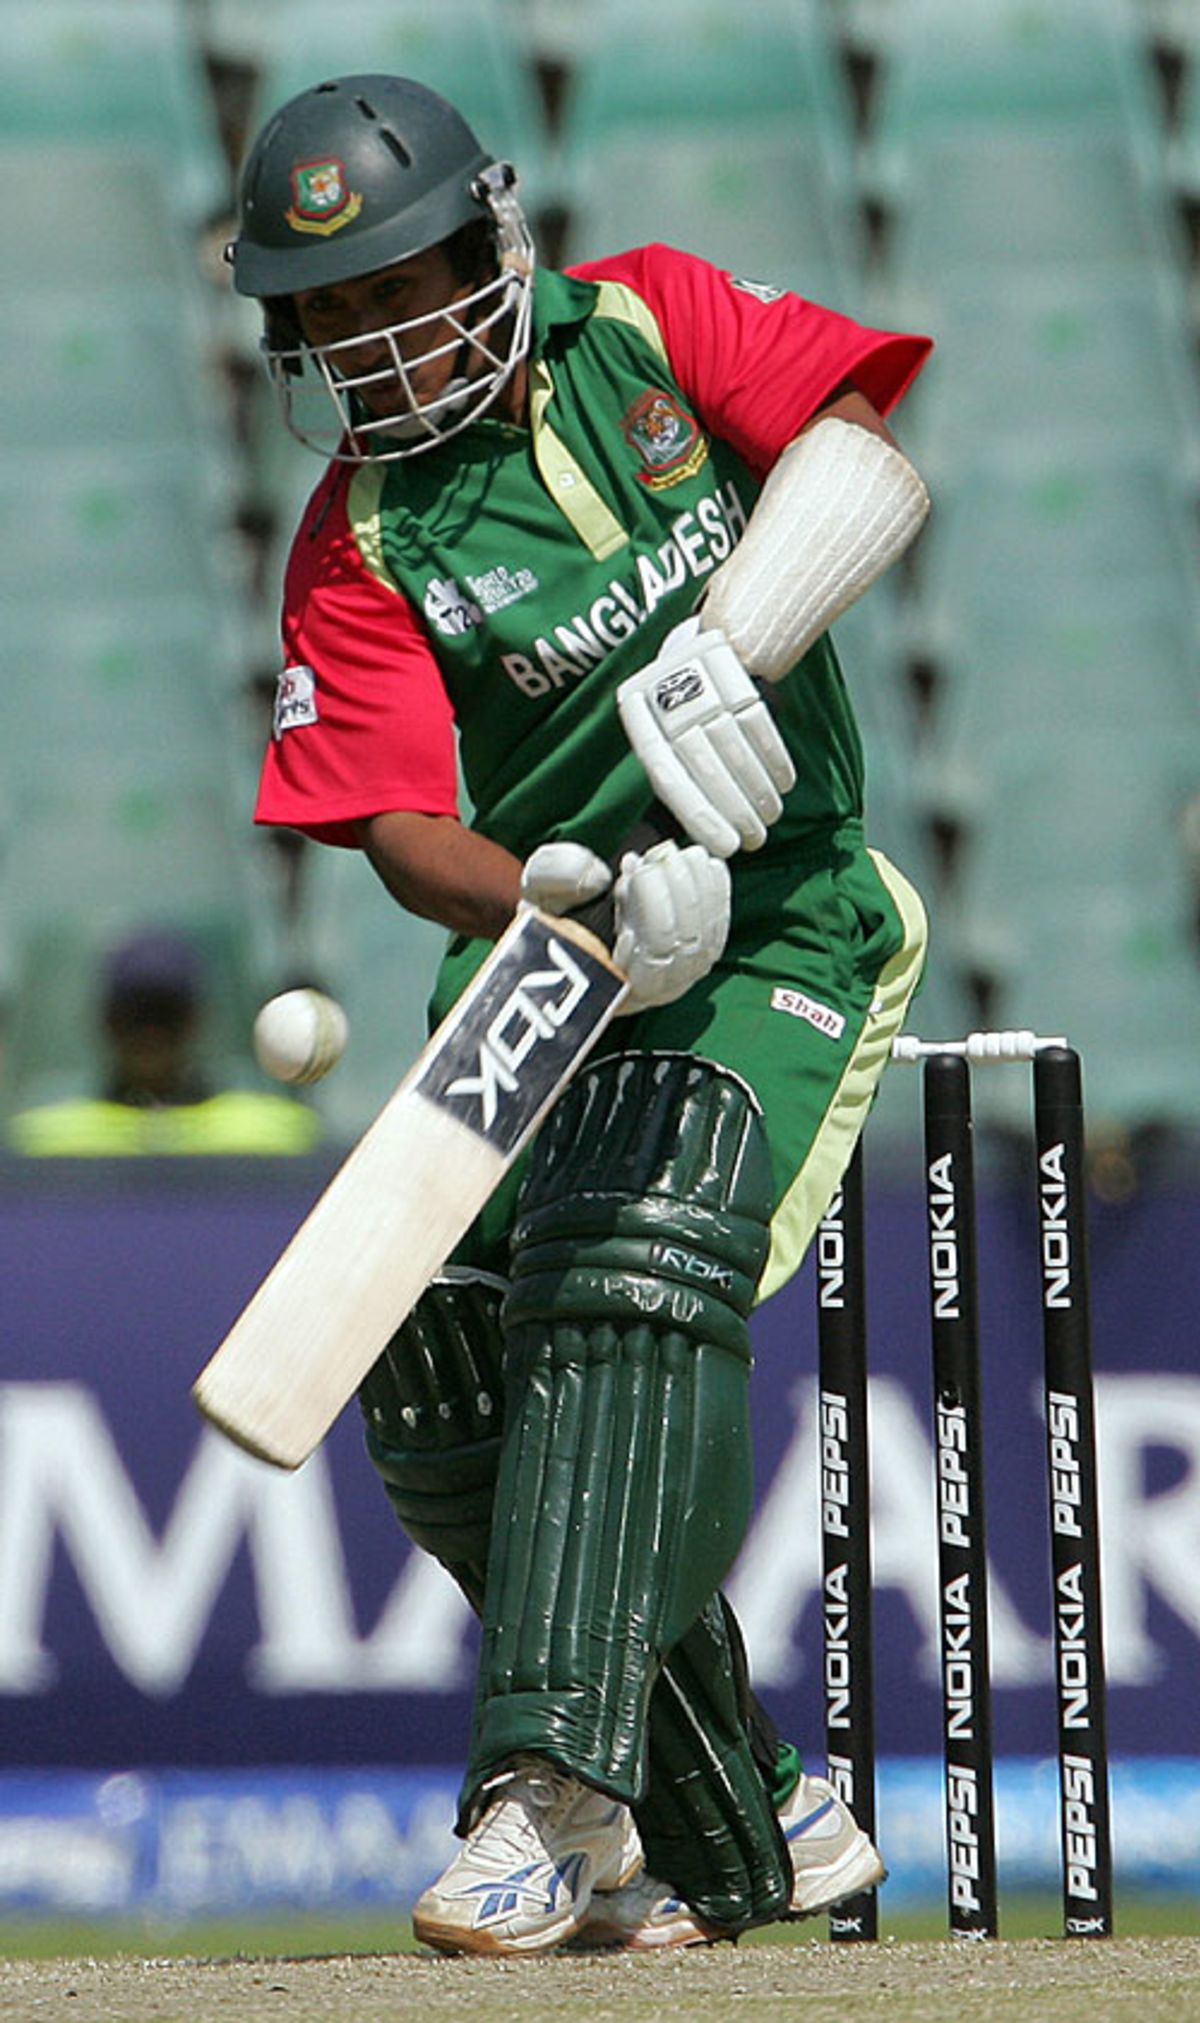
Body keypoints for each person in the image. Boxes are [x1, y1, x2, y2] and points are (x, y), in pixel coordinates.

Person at [227, 72, 932, 1955]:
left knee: (636, 1229)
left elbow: (864, 457)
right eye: (332, 313)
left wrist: (729, 649)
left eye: (399, 283)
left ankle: (547, 1791)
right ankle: (753, 1818)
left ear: (488, 243)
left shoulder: (645, 322)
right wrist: (580, 889)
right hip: (547, 954)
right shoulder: (359, 535)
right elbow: (394, 829)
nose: (370, 335)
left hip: (789, 918)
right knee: (439, 1348)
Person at [6, 929, 321, 1156]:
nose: (150, 1033)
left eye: (165, 1014)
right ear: (106, 1022)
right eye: (134, 1016)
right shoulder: (42, 1144)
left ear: (196, 1021)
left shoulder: (277, 1136)